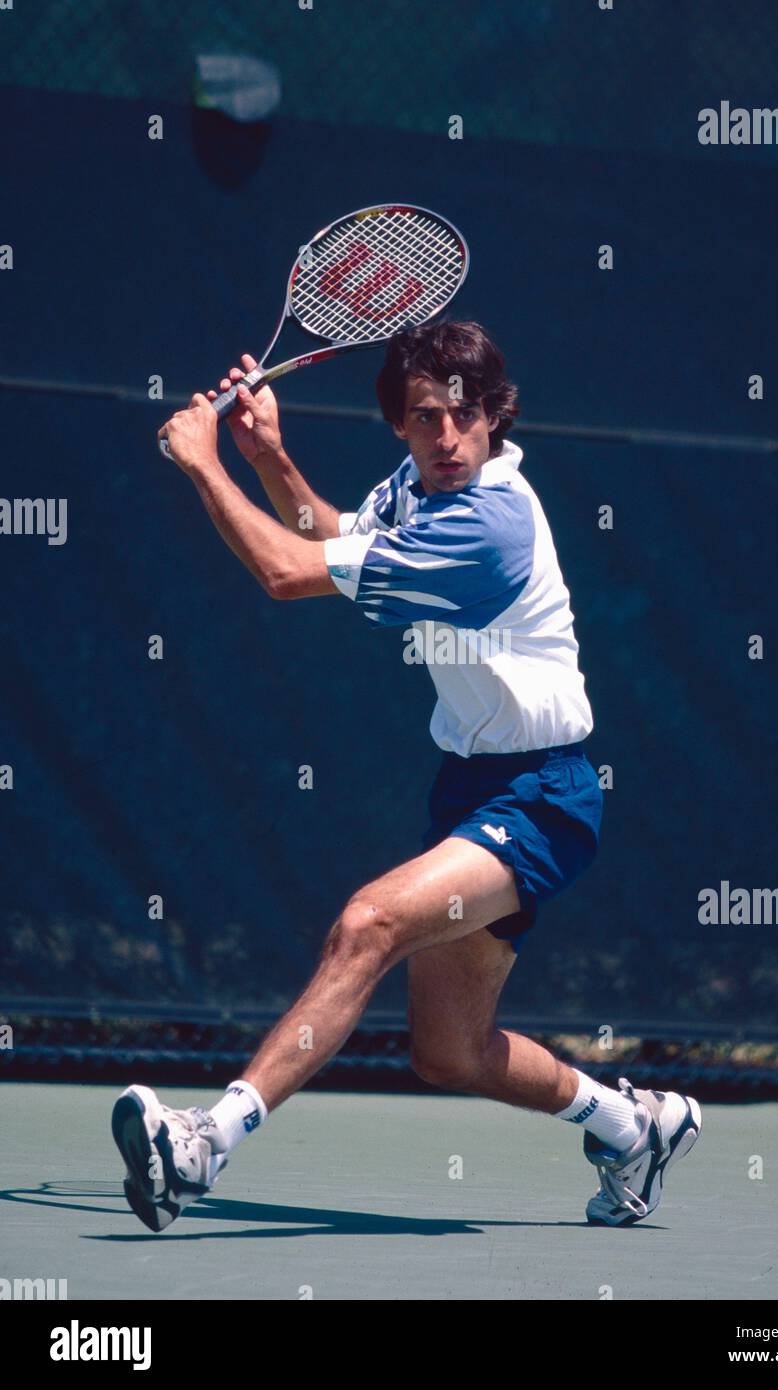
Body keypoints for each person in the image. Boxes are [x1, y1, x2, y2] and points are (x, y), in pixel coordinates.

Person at [114, 321, 701, 1232]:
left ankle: (202, 1142)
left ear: (493, 417)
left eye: (467, 417)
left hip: (545, 798)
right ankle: (634, 1128)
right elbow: (336, 537)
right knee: (449, 1052)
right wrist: (269, 454)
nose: (449, 437)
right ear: (400, 424)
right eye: (427, 418)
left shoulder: (490, 523)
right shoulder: (418, 485)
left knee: (367, 923)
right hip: (470, 790)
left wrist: (202, 464)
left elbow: (284, 573)